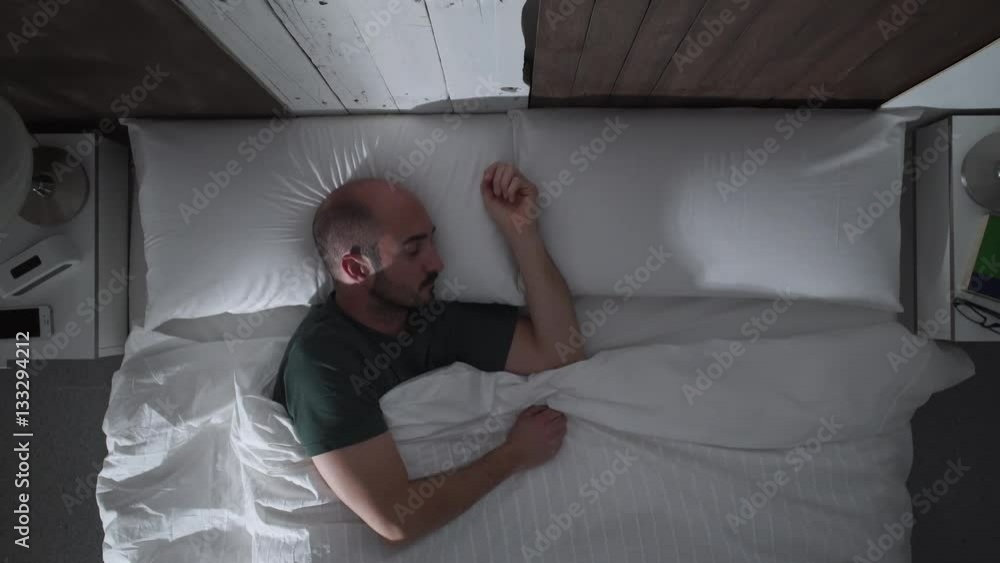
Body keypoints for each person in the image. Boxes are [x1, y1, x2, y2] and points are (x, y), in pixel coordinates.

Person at [272, 162, 585, 543]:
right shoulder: (322, 362)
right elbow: (396, 519)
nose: (438, 263)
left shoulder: (428, 314)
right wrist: (514, 455)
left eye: (431, 241)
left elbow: (560, 352)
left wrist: (523, 232)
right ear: (356, 269)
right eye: (413, 249)